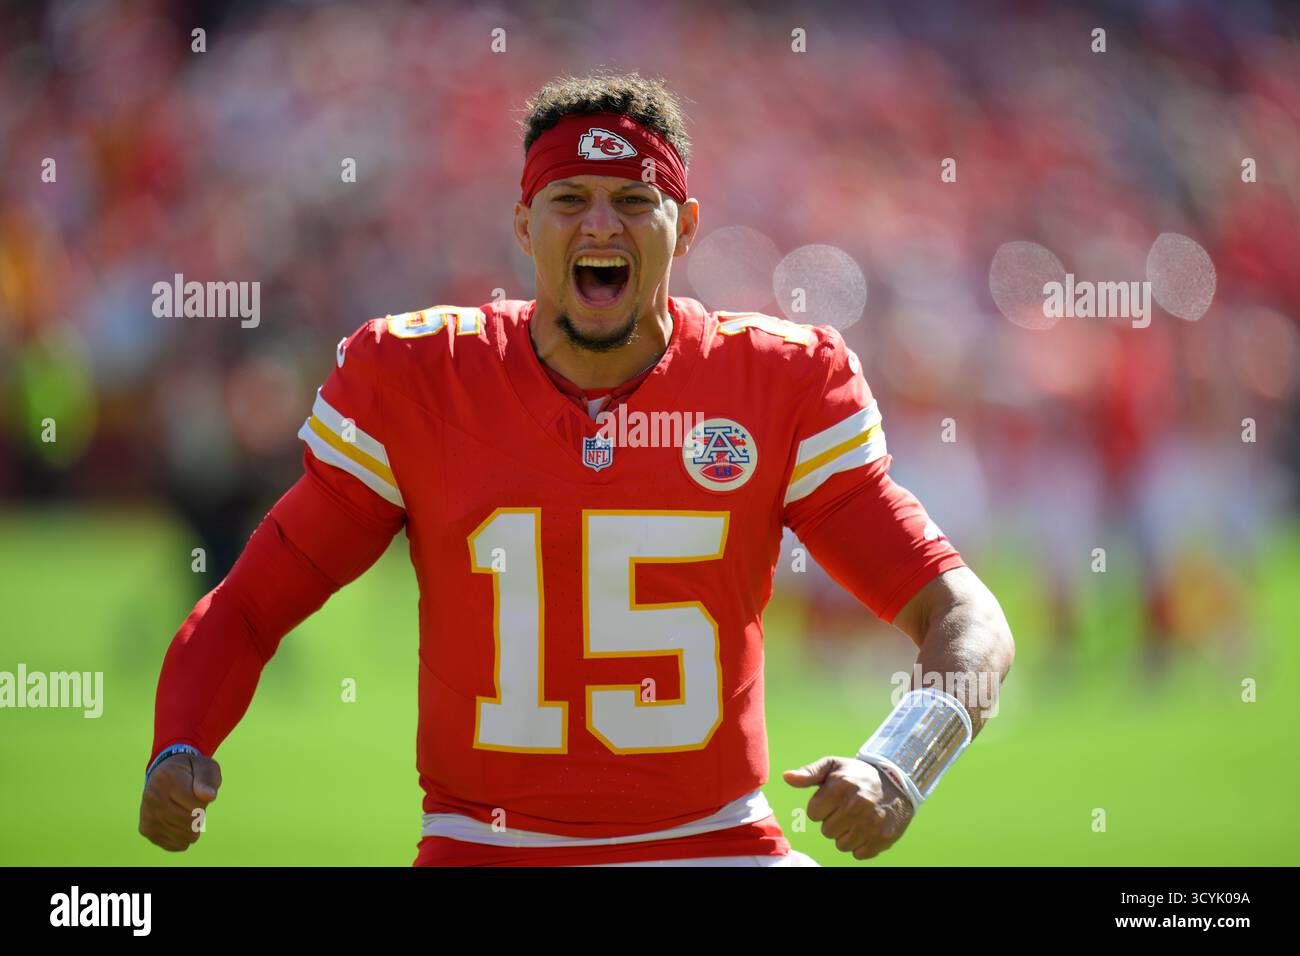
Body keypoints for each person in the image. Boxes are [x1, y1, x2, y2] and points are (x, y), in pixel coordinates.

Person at [139, 71, 1015, 867]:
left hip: (717, 843)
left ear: (688, 224)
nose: (602, 224)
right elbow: (252, 605)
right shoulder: (419, 379)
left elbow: (965, 616)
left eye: (635, 199)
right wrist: (180, 743)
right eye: (570, 199)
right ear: (524, 224)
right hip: (483, 846)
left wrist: (901, 763)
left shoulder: (776, 382)